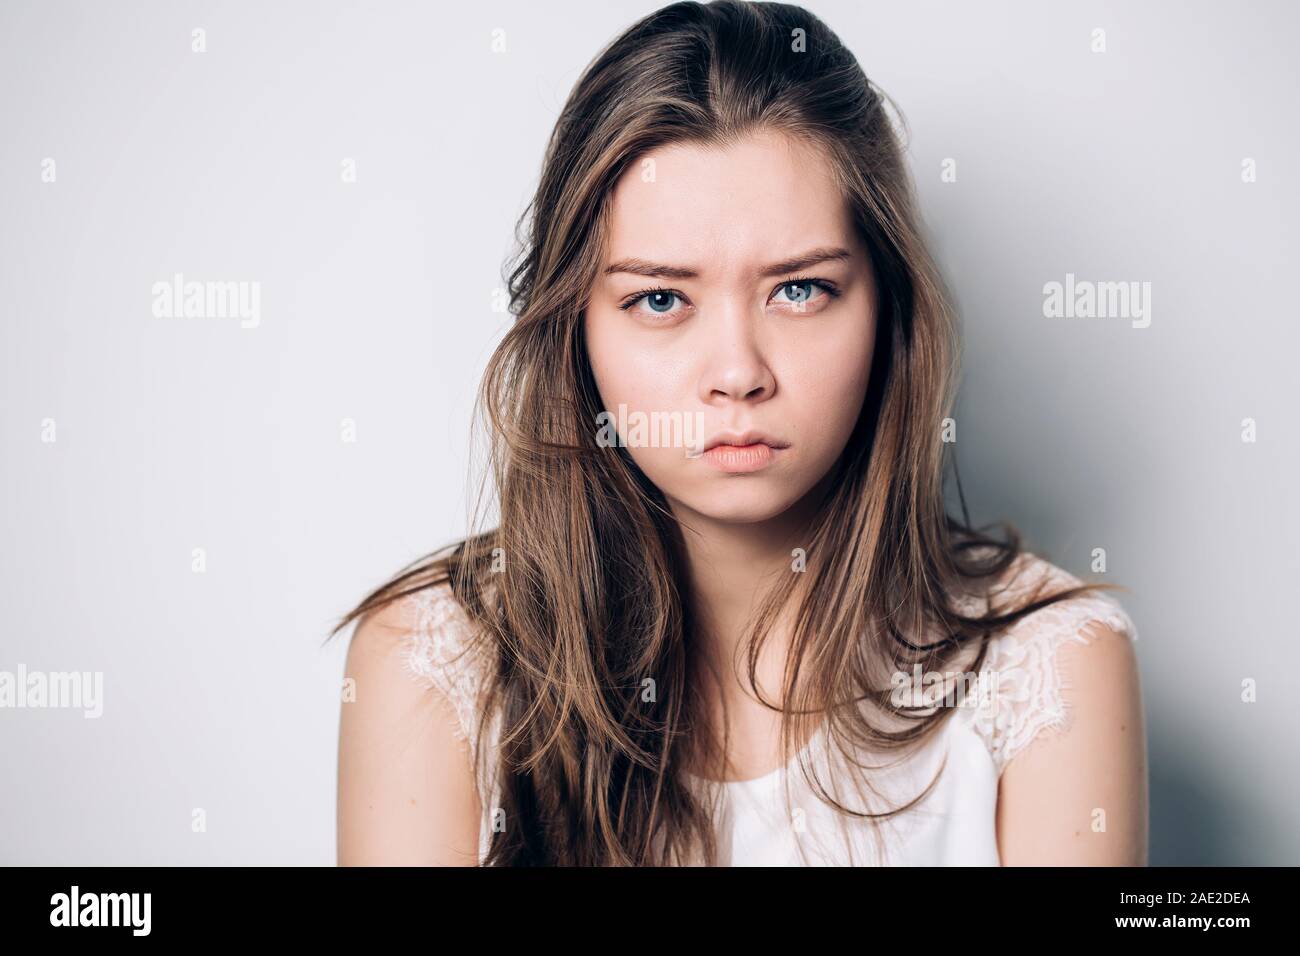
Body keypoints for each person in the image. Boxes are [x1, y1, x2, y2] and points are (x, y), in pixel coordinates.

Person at [335, 0, 1146, 866]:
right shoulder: (436, 661)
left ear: (889, 308)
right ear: (575, 329)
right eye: (659, 299)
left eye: (799, 289)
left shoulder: (1047, 666)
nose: (738, 372)